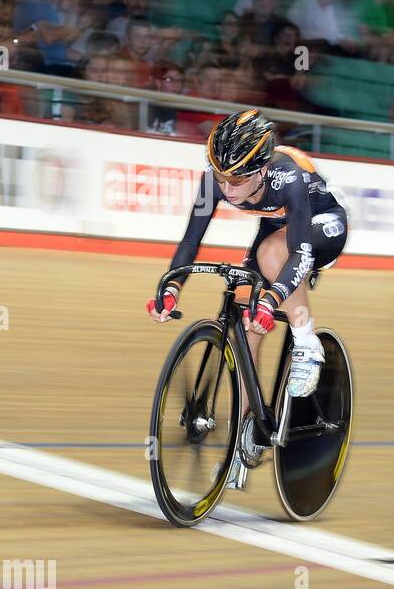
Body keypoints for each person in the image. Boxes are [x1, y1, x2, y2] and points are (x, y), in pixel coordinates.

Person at [146, 110, 350, 469]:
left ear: (260, 170)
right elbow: (190, 242)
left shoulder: (288, 177)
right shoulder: (215, 182)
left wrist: (273, 300)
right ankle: (249, 426)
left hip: (321, 224)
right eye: (222, 176)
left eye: (237, 180)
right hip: (275, 224)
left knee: (273, 255)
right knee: (244, 313)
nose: (227, 189)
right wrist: (171, 287)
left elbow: (299, 252)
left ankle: (307, 342)